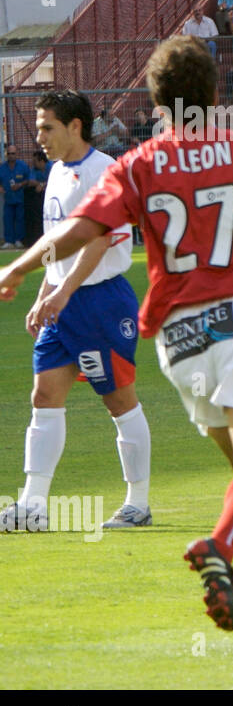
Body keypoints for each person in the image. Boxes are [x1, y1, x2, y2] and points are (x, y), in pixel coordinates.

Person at [0, 38, 233, 668]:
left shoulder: (139, 162)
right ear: (213, 96)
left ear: (156, 101)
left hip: (180, 338)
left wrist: (18, 267)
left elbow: (81, 230)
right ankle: (217, 546)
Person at [0, 90, 153, 532]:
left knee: (119, 402)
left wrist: (63, 292)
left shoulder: (103, 170)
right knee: (44, 397)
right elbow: (57, 244)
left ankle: (137, 503)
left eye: (47, 126)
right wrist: (44, 293)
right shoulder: (56, 171)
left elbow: (101, 237)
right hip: (63, 302)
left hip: (100, 302)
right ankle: (32, 505)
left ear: (75, 126)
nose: (40, 135)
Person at [2, 144, 31, 248]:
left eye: (13, 153)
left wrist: (20, 184)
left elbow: (29, 179)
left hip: (20, 198)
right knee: (7, 219)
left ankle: (18, 240)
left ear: (17, 154)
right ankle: (9, 241)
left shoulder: (23, 166)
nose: (11, 155)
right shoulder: (2, 168)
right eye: (9, 153)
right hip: (8, 199)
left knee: (20, 219)